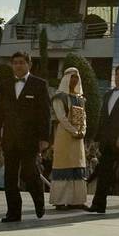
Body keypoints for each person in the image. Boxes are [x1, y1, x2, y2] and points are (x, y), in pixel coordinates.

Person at [0, 52, 50, 221]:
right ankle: (13, 212)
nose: (18, 65)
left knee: (29, 173)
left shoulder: (39, 85)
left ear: (29, 65)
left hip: (30, 139)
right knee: (10, 177)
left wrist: (44, 138)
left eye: (22, 62)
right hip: (10, 138)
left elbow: (45, 113)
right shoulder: (6, 84)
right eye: (15, 62)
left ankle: (39, 201)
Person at [87, 62, 119, 215]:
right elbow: (103, 118)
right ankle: (98, 205)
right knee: (104, 173)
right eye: (117, 74)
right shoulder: (108, 94)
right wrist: (97, 138)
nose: (118, 77)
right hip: (107, 141)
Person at [49, 67, 88, 209]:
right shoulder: (60, 97)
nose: (74, 80)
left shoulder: (80, 98)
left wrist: (82, 130)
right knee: (63, 166)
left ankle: (77, 200)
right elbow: (62, 117)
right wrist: (73, 131)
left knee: (77, 166)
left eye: (76, 77)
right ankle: (60, 201)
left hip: (78, 137)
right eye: (72, 77)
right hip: (65, 135)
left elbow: (83, 117)